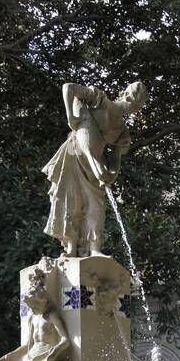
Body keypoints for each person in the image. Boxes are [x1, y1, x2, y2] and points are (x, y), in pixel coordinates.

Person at [42, 81, 147, 257]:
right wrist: (70, 116)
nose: (134, 109)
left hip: (94, 166)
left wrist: (110, 174)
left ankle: (95, 249)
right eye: (134, 104)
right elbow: (68, 87)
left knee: (96, 205)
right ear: (126, 96)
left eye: (138, 107)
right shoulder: (99, 99)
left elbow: (115, 158)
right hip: (73, 156)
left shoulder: (121, 131)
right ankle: (70, 248)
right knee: (71, 202)